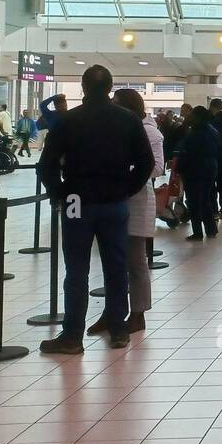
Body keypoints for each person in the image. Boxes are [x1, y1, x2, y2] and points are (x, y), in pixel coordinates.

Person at [37, 65, 153, 352]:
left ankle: (72, 335)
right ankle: (118, 329)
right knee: (116, 265)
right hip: (114, 201)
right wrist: (127, 189)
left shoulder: (68, 120)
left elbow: (46, 164)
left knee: (76, 268)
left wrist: (60, 193)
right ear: (110, 88)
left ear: (83, 87)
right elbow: (146, 163)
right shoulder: (128, 119)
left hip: (77, 201)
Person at [89, 89, 163, 335]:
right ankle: (112, 313)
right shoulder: (116, 126)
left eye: (116, 103)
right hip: (113, 199)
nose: (111, 106)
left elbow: (157, 167)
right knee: (112, 262)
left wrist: (123, 172)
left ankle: (138, 313)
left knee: (135, 260)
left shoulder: (150, 131)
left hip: (137, 199)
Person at [176, 105, 220, 241]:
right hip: (210, 167)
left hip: (194, 170)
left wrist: (179, 168)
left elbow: (187, 153)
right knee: (205, 199)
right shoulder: (212, 130)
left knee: (193, 201)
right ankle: (211, 229)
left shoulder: (195, 132)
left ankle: (197, 233)